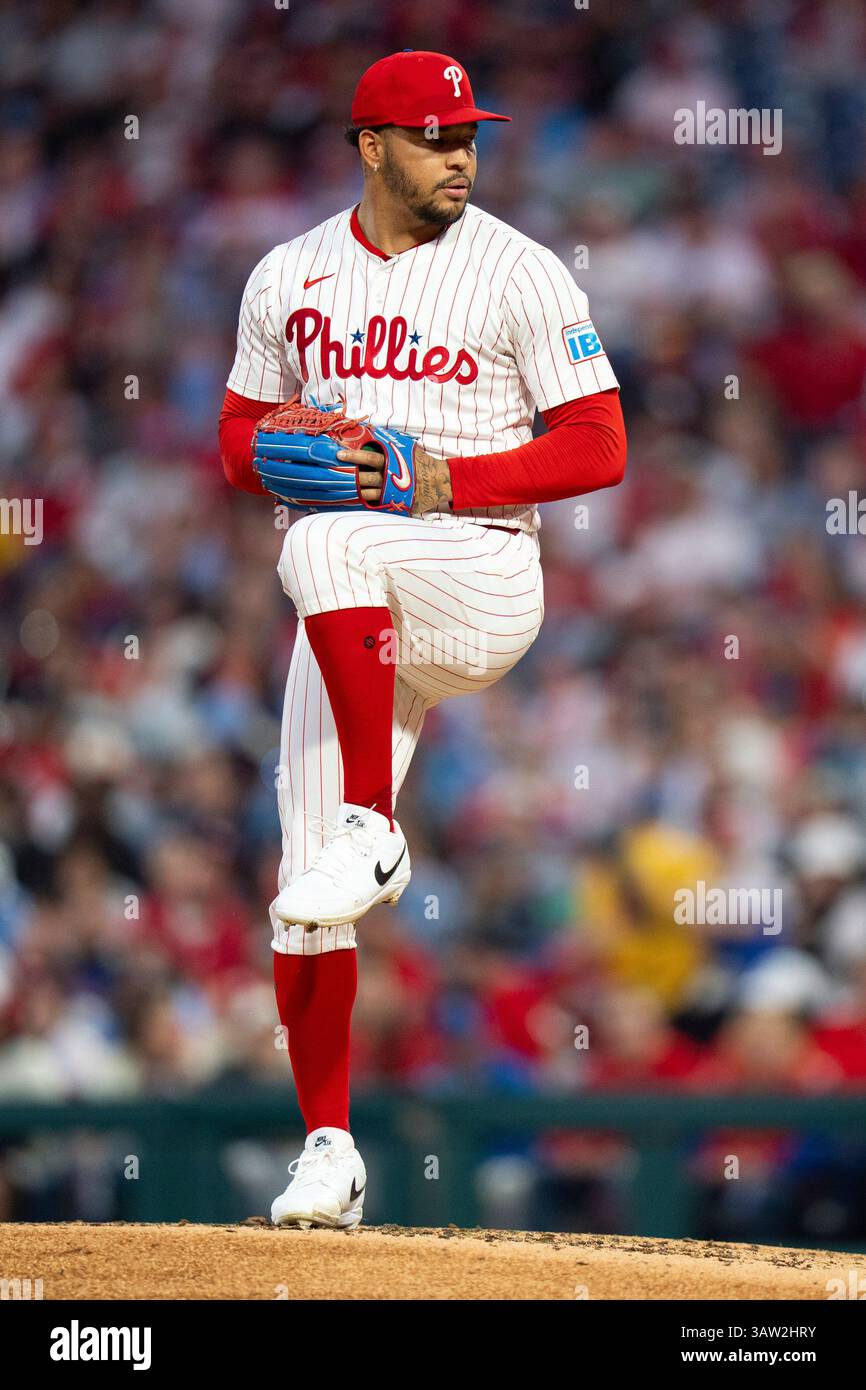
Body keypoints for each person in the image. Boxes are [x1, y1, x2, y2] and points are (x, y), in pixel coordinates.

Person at [219, 49, 627, 1230]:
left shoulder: (519, 270)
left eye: (468, 135)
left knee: (323, 544)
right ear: (369, 146)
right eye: (433, 136)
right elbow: (237, 437)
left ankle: (374, 825)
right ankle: (329, 1150)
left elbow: (599, 444)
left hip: (477, 572)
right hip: (357, 611)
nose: (458, 155)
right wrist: (279, 456)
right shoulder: (288, 273)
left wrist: (447, 478)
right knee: (304, 897)